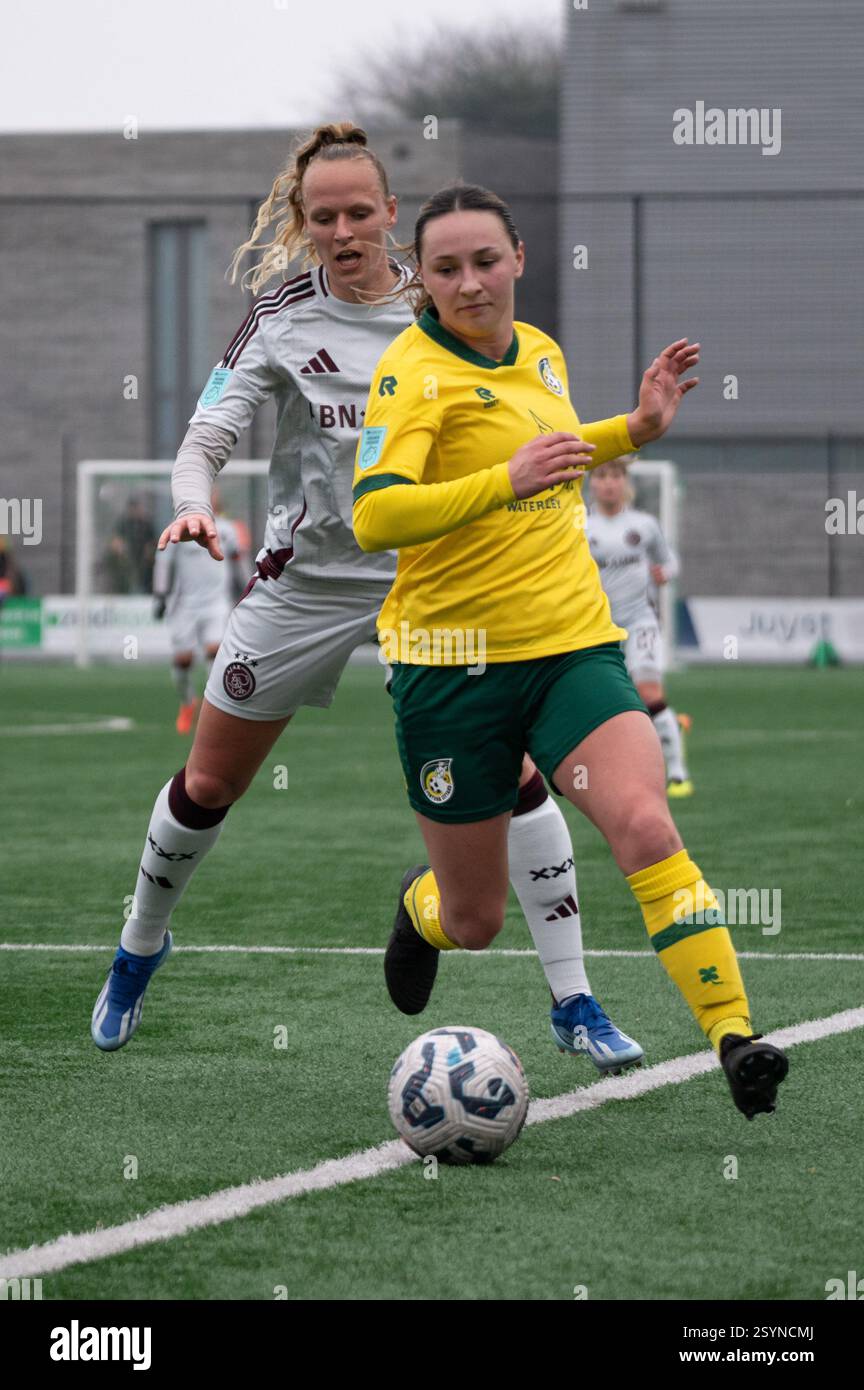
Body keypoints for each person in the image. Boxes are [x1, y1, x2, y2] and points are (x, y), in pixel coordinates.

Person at [91, 124, 642, 1075]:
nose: (343, 230)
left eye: (359, 212)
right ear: (304, 227)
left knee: (515, 778)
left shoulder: (445, 299)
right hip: (304, 582)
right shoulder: (281, 314)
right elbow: (204, 439)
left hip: (437, 582)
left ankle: (575, 998)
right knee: (210, 783)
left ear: (391, 214)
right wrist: (192, 507)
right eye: (322, 217)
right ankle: (141, 943)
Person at [352, 182, 788, 1118]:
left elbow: (551, 454)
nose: (470, 283)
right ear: (421, 282)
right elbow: (375, 513)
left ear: (518, 258)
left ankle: (736, 1039)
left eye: (485, 261)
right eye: (446, 269)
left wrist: (634, 429)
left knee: (647, 827)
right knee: (474, 923)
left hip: (571, 649)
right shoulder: (410, 373)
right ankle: (419, 908)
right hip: (449, 667)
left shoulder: (541, 351)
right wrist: (497, 481)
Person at [586, 456, 693, 794]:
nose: (608, 483)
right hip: (595, 627)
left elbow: (670, 560)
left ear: (625, 482)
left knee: (649, 693)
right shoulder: (579, 526)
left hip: (640, 621)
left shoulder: (644, 525)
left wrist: (667, 573)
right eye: (602, 476)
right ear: (592, 482)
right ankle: (611, 771)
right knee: (597, 702)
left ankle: (677, 773)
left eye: (615, 476)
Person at [152, 489, 244, 734]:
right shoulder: (180, 528)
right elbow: (163, 562)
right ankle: (187, 703)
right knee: (183, 660)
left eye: (213, 495)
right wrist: (160, 594)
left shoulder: (227, 529)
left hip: (217, 602)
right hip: (185, 605)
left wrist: (246, 589)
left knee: (215, 652)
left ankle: (212, 712)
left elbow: (237, 561)